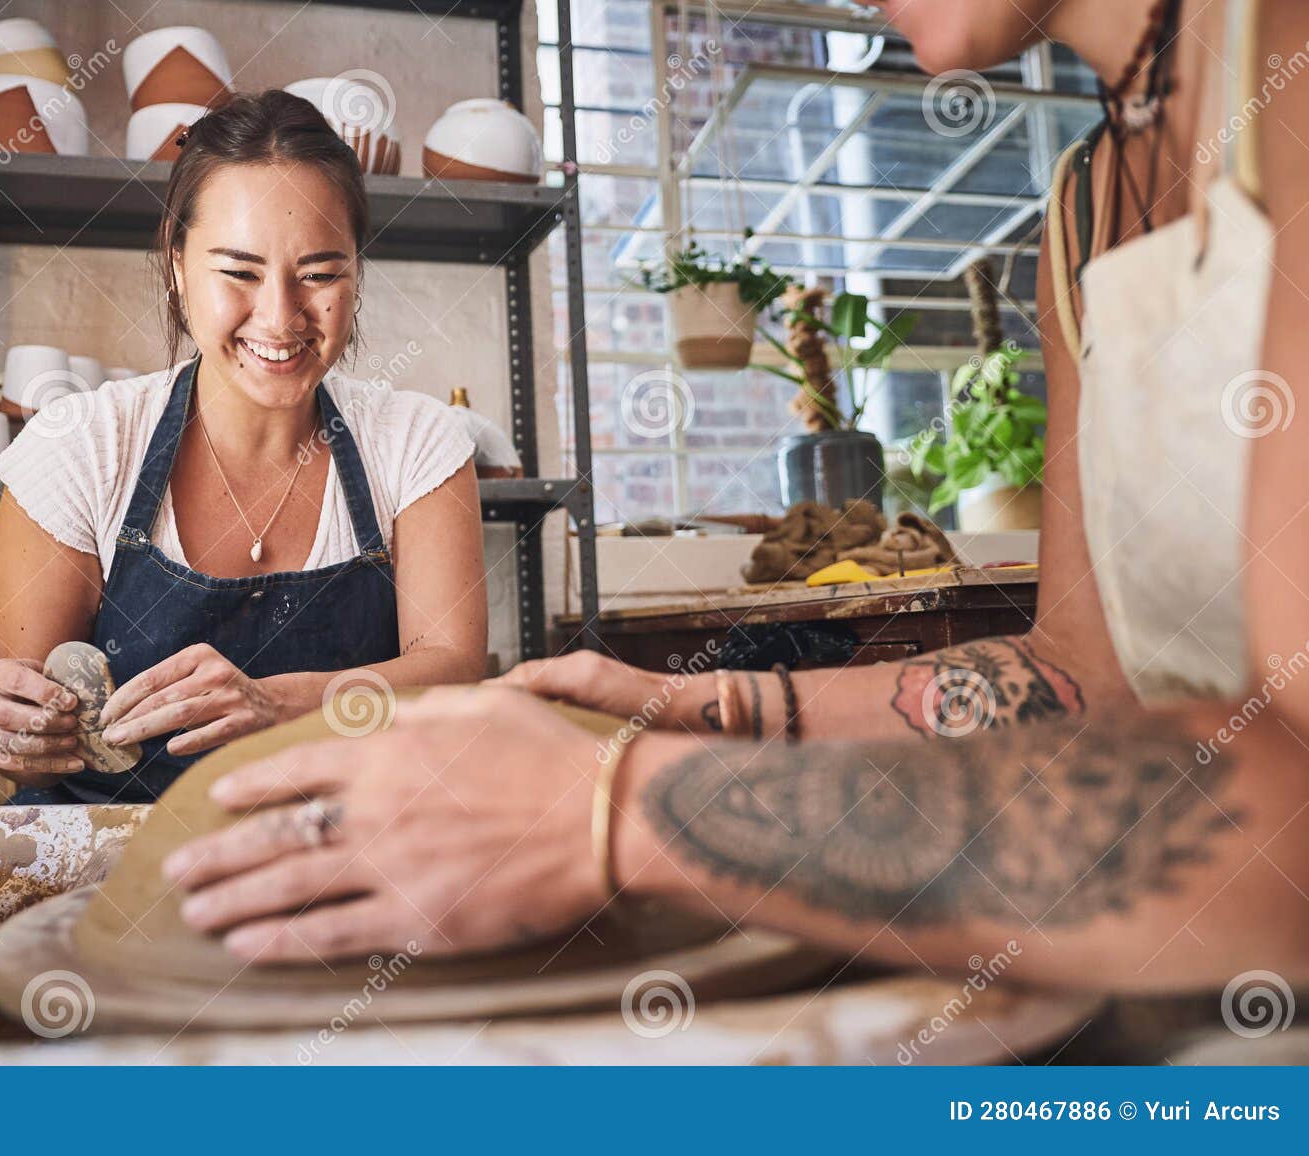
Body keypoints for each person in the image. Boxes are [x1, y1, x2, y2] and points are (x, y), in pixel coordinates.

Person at [159, 0, 1309, 992]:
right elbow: (1071, 682)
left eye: (317, 271)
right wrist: (692, 708)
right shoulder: (1082, 207)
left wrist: (617, 806)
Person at [0, 91, 487, 803]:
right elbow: (27, 753)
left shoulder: (417, 442)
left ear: (356, 273)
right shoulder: (78, 446)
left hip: (338, 859)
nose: (280, 317)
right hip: (109, 872)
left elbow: (455, 676)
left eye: (320, 273)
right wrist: (11, 735)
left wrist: (280, 706)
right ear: (178, 267)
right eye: (239, 273)